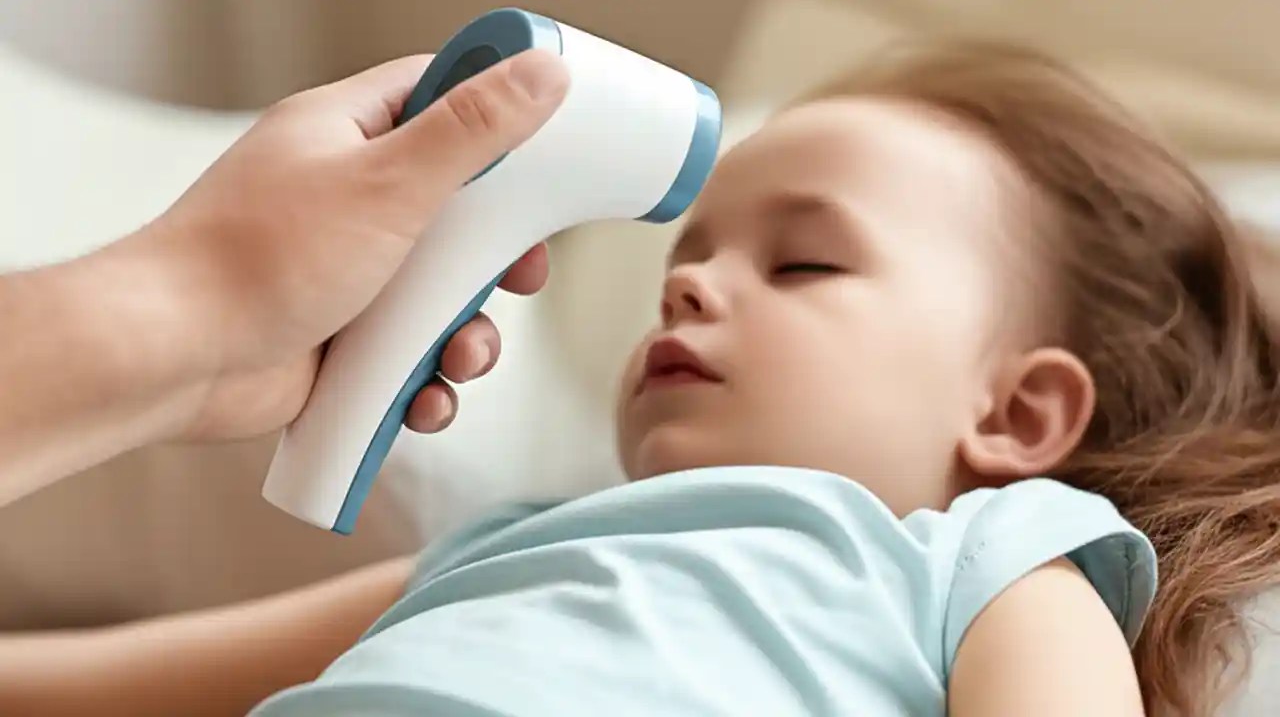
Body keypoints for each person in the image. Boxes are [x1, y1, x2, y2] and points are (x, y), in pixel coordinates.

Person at [249, 42, 1280, 717]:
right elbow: (102, 686)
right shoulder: (504, 543)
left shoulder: (984, 560)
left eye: (802, 264)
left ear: (1016, 412)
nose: (690, 285)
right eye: (680, 263)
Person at [0, 49, 570, 716]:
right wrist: (212, 308)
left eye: (730, 245)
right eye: (695, 247)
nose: (688, 284)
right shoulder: (525, 552)